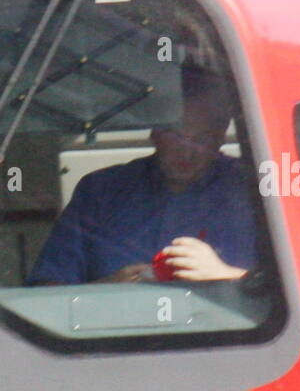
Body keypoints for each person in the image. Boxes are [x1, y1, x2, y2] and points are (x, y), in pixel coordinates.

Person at [27, 68, 256, 286]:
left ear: (220, 138)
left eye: (201, 139)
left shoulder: (255, 190)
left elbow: (290, 287)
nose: (186, 151)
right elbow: (47, 290)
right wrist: (105, 290)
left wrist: (227, 276)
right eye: (175, 134)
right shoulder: (101, 191)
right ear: (154, 131)